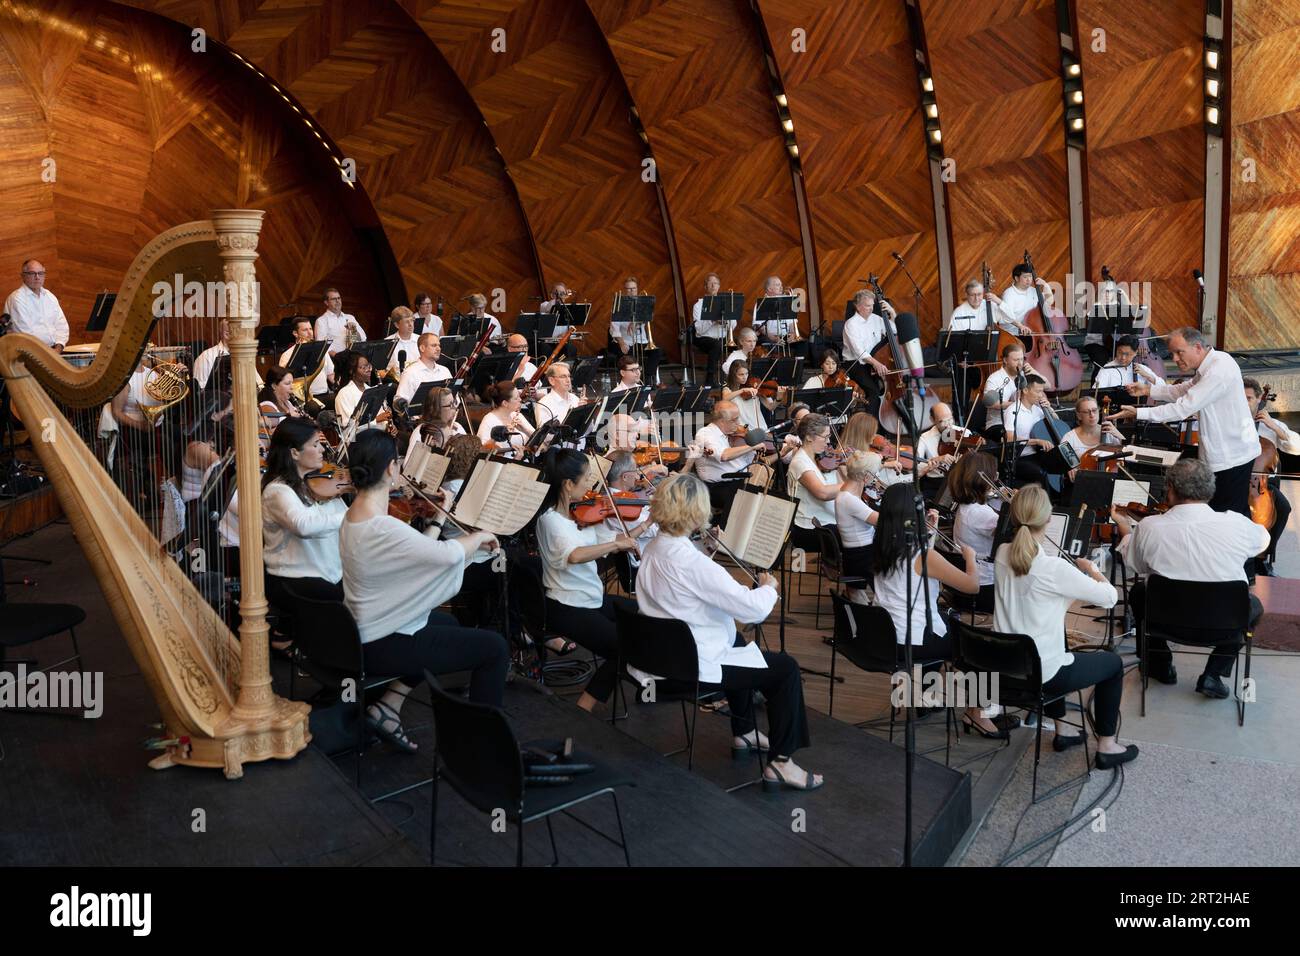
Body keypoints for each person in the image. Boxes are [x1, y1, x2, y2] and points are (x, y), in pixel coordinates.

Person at [636, 473, 823, 791]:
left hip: (659, 657)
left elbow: (687, 585)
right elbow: (753, 610)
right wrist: (770, 587)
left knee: (738, 643)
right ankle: (781, 764)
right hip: (691, 666)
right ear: (698, 514)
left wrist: (705, 548)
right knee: (785, 669)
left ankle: (745, 732)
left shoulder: (652, 548)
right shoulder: (695, 565)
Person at [339, 429, 507, 751]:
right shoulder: (382, 526)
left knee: (449, 625)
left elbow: (419, 551)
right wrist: (478, 536)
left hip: (365, 630)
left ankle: (389, 705)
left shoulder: (355, 515)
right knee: (495, 648)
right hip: (380, 641)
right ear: (391, 468)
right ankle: (485, 747)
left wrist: (439, 520)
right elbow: (444, 556)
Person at [994, 484, 1138, 768]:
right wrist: (1092, 571)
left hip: (1005, 670)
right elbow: (1110, 598)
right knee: (1112, 665)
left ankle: (1064, 730)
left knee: (1052, 639)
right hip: (1043, 676)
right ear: (1049, 520)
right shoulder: (1055, 569)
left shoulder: (1002, 553)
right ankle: (1108, 745)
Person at [1113, 458, 1268, 699]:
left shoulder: (1149, 527)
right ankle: (1213, 675)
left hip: (1166, 622)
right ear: (1210, 489)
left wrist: (1126, 531)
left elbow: (1136, 565)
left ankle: (1160, 665)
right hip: (1223, 625)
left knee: (1140, 592)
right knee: (1253, 606)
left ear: (1171, 489)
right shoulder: (1237, 523)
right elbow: (1262, 541)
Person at [871, 483, 1004, 736]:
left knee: (943, 622)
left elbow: (913, 569)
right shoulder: (924, 556)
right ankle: (978, 714)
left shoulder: (881, 545)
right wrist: (970, 558)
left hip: (886, 636)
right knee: (981, 646)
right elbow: (972, 586)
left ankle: (923, 697)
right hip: (912, 640)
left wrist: (928, 530)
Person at [1108, 327, 1260, 516]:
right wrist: (1148, 390)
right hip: (1225, 454)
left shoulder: (1219, 370)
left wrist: (1139, 413)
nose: (1175, 359)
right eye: (1172, 353)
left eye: (1179, 352)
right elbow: (1186, 389)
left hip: (1232, 456)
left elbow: (1182, 408)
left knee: (1228, 516)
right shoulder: (1213, 362)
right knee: (1219, 514)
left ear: (1197, 347)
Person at [534, 448, 639, 712]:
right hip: (568, 605)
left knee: (646, 616)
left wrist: (644, 528)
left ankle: (649, 679)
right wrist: (614, 548)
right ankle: (585, 705)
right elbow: (576, 555)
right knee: (626, 648)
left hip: (590, 598)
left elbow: (610, 541)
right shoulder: (550, 521)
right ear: (568, 485)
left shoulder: (576, 515)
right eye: (586, 480)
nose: (591, 486)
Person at [260, 417, 350, 611]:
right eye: (315, 445)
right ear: (294, 453)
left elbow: (339, 521)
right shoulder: (277, 491)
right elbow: (304, 526)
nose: (322, 450)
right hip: (297, 580)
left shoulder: (316, 484)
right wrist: (352, 515)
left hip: (328, 575)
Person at [1244, 378, 1298, 575]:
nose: (1245, 402)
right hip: (1235, 477)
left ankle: (1263, 558)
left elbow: (1296, 447)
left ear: (1259, 399)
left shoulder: (1271, 424)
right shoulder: (1231, 420)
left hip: (1261, 484)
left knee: (1283, 507)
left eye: (1249, 398)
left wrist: (1274, 428)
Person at [949, 451, 1002, 613]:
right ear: (982, 479)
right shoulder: (981, 514)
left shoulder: (967, 507)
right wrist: (1020, 505)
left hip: (967, 582)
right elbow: (1014, 532)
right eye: (994, 475)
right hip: (986, 589)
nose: (996, 478)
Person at [785, 413, 843, 551]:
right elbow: (822, 493)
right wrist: (852, 485)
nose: (828, 442)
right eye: (825, 437)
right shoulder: (800, 462)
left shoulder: (819, 459)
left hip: (827, 520)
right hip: (809, 527)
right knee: (855, 537)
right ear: (810, 437)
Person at [835, 450, 882, 602]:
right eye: (874, 475)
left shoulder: (846, 493)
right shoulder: (849, 500)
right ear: (866, 476)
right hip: (862, 557)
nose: (875, 479)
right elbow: (882, 521)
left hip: (856, 555)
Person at [841, 288, 896, 412]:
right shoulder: (851, 324)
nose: (871, 308)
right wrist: (876, 364)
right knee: (874, 391)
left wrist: (892, 312)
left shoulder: (876, 318)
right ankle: (872, 427)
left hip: (875, 362)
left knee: (886, 390)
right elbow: (859, 352)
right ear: (858, 306)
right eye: (867, 306)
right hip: (855, 364)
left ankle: (885, 425)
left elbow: (894, 332)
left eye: (872, 305)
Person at [1003, 373, 1055, 486]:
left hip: (1039, 454)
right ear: (1025, 390)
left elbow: (1056, 425)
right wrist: (1037, 441)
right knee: (1041, 474)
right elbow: (1009, 438)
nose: (1041, 395)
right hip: (1021, 457)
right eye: (1038, 391)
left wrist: (1050, 410)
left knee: (1059, 467)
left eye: (1042, 391)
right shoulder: (1013, 411)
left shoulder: (1038, 410)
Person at [4, 259, 68, 350]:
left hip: (55, 351)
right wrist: (50, 355)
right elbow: (26, 335)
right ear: (23, 276)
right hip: (30, 355)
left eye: (41, 273)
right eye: (32, 273)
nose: (37, 277)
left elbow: (62, 326)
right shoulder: (17, 298)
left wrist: (58, 349)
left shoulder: (50, 296)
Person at [1062, 395, 1123, 481]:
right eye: (1087, 412)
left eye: (1094, 410)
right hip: (1083, 481)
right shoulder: (1069, 438)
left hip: (1109, 479)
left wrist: (1119, 435)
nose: (1092, 415)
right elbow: (1064, 463)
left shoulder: (1110, 432)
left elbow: (1126, 455)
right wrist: (1069, 468)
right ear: (1079, 416)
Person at [946, 277, 1030, 335]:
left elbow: (1010, 317)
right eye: (972, 295)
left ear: (983, 294)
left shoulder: (990, 306)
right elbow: (954, 336)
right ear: (967, 295)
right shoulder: (959, 312)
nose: (976, 298)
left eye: (979, 294)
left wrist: (999, 301)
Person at [404, 386, 465, 462]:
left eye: (454, 403)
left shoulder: (458, 427)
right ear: (436, 408)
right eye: (450, 405)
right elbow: (408, 464)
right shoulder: (421, 432)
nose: (455, 408)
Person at [334, 352, 391, 432]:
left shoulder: (372, 390)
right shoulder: (344, 394)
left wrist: (387, 426)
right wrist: (376, 420)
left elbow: (382, 416)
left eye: (368, 366)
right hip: (361, 442)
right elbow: (347, 430)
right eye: (363, 368)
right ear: (351, 371)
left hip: (379, 436)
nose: (368, 370)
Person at [282, 317, 334, 401]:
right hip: (303, 398)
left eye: (310, 329)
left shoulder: (322, 349)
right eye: (305, 330)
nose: (310, 333)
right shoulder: (287, 355)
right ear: (295, 333)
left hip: (325, 394)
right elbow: (285, 381)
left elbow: (331, 374)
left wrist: (342, 387)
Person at [477, 380, 533, 457]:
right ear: (505, 403)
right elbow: (484, 452)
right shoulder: (489, 421)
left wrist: (525, 430)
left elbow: (541, 445)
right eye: (516, 398)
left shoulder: (517, 415)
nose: (520, 400)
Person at [394, 332, 452, 405]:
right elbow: (399, 402)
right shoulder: (410, 373)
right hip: (421, 416)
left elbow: (454, 398)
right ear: (422, 348)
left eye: (439, 345)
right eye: (434, 345)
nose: (438, 349)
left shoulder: (445, 371)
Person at [691, 272, 728, 384]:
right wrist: (712, 320)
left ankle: (735, 378)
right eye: (710, 283)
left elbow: (733, 325)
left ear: (719, 286)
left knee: (740, 344)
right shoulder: (698, 305)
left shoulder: (725, 302)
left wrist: (726, 322)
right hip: (704, 338)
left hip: (723, 337)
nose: (713, 286)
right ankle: (710, 379)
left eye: (716, 283)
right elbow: (699, 330)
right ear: (705, 286)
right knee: (716, 345)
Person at [1093, 334, 1165, 389]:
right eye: (1120, 352)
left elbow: (1163, 388)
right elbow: (1096, 392)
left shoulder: (1141, 368)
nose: (1123, 357)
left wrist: (1147, 375)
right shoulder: (1107, 369)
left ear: (1135, 353)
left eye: (1127, 354)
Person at [723, 360, 777, 431]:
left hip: (760, 427)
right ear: (733, 375)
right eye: (741, 374)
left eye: (746, 374)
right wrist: (742, 390)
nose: (745, 377)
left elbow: (771, 407)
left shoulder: (754, 387)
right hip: (742, 428)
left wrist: (779, 399)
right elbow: (725, 398)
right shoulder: (728, 389)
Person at [998, 263, 1055, 328]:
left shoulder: (1034, 291)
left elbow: (1050, 302)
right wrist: (1021, 326)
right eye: (1025, 277)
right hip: (1012, 333)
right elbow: (1008, 316)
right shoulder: (1009, 294)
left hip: (1030, 331)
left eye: (1030, 276)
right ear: (1016, 278)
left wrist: (1045, 285)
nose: (1029, 280)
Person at [315, 288, 364, 355]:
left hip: (354, 357)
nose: (337, 301)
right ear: (326, 302)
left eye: (339, 298)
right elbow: (321, 345)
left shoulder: (350, 317)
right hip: (336, 359)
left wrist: (354, 330)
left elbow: (363, 338)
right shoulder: (321, 321)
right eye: (334, 299)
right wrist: (338, 358)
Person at [534, 362, 583, 429]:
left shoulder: (575, 399)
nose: (568, 380)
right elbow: (545, 437)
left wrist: (586, 413)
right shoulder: (544, 404)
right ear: (551, 380)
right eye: (563, 376)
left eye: (569, 376)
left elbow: (588, 430)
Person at [193, 320, 231, 390]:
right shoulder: (206, 357)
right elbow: (201, 391)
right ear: (226, 334)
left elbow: (258, 384)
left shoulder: (245, 356)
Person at [385, 306, 421, 375]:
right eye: (406, 322)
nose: (411, 325)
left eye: (412, 320)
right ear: (397, 325)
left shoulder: (420, 339)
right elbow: (384, 370)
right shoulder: (388, 343)